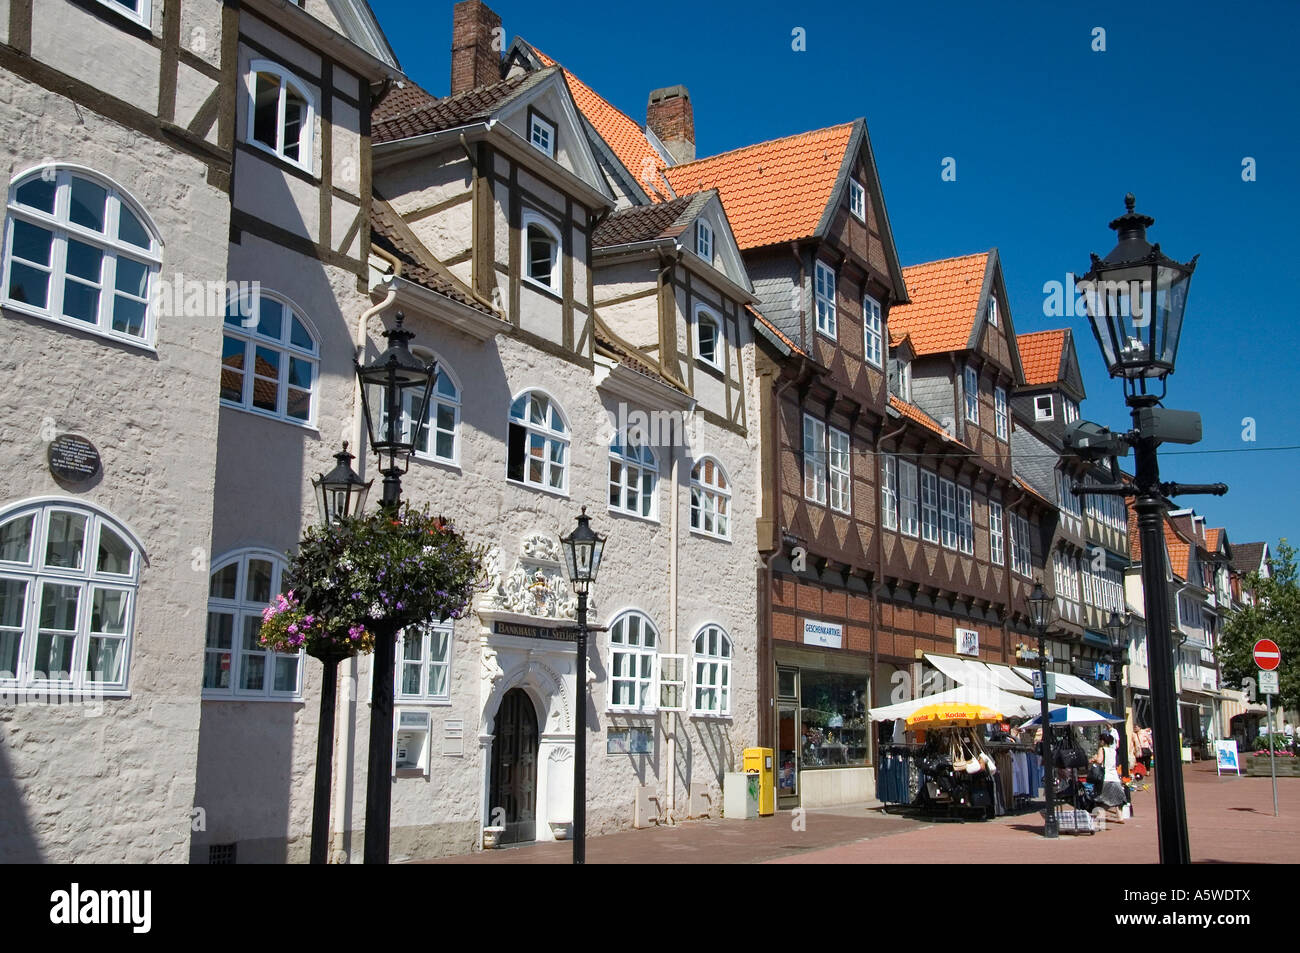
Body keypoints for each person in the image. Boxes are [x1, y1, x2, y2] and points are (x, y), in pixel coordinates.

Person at [1091, 731, 1125, 824]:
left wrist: (1093, 759)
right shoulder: (1113, 751)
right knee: (1118, 798)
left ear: (1102, 741)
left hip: (1106, 777)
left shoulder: (1102, 749)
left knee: (1105, 799)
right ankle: (1120, 817)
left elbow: (1099, 760)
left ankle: (1099, 817)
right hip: (1115, 777)